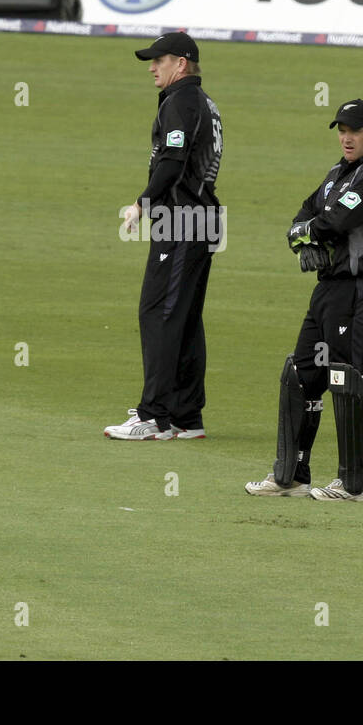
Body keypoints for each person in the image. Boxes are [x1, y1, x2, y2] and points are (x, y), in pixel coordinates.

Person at [245, 99, 363, 502]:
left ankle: (356, 483)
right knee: (302, 375)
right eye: (341, 130)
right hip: (327, 291)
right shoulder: (335, 175)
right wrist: (302, 237)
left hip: (359, 291)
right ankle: (290, 476)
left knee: (348, 379)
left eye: (354, 130)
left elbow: (334, 223)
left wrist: (309, 231)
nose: (346, 137)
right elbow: (304, 215)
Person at [105, 32, 223, 443]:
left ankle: (154, 416)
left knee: (158, 313)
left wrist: (142, 203)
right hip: (202, 219)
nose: (153, 67)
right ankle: (187, 416)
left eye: (160, 60)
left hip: (182, 222)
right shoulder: (200, 101)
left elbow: (172, 162)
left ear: (183, 64)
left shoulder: (183, 102)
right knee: (185, 318)